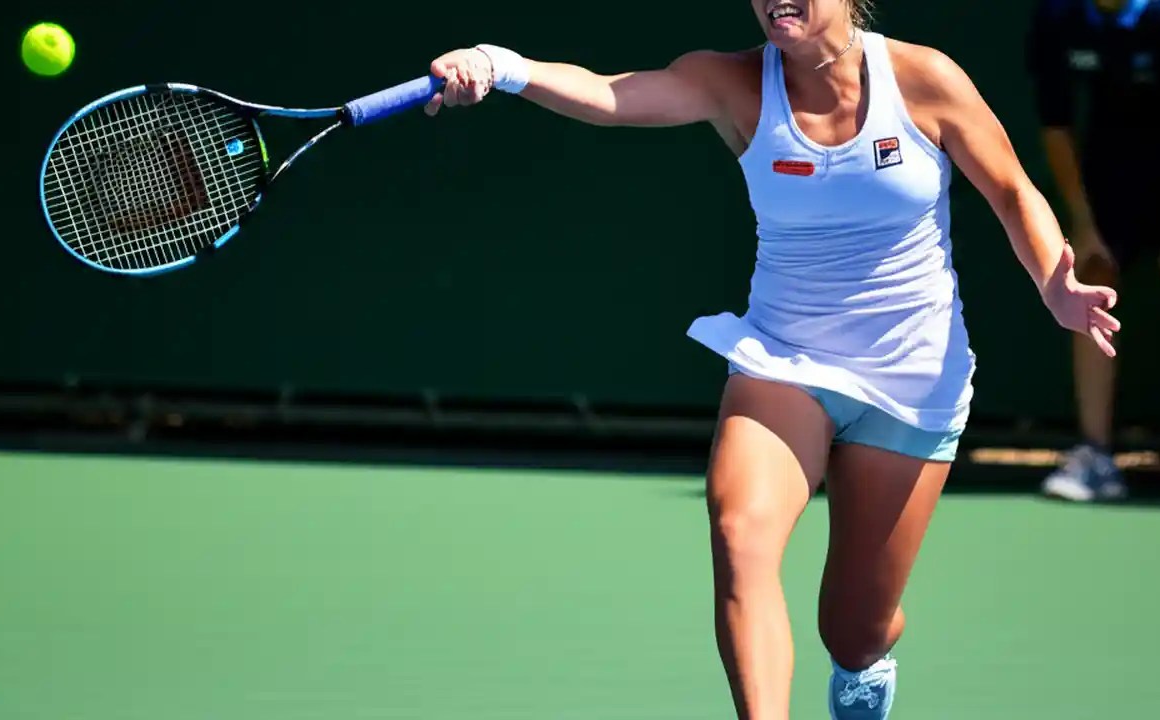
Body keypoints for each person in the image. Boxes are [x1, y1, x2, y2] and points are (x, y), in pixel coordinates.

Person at [424, 1, 1121, 717]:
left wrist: (1053, 283)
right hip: (785, 358)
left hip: (910, 377)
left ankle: (866, 661)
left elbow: (1010, 190)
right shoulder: (729, 83)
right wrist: (502, 65)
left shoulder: (924, 77)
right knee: (739, 535)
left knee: (852, 631)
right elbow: (610, 95)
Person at [1027, 0, 1160, 504]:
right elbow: (1056, 125)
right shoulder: (1058, 17)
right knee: (1092, 280)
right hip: (1108, 171)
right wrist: (1084, 227)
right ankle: (1095, 456)